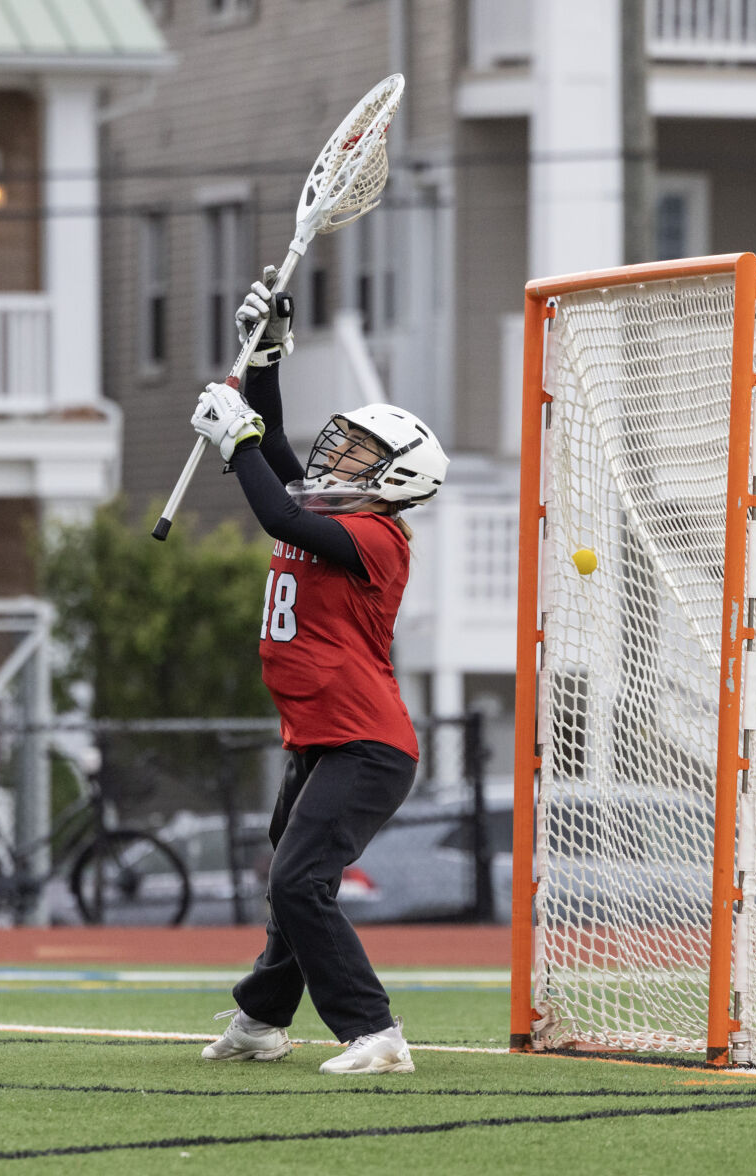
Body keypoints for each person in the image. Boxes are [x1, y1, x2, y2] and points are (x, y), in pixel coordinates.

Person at [191, 270, 448, 1075]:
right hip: (320, 737)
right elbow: (272, 450)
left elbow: (274, 503)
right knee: (289, 887)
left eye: (359, 454)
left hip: (365, 745)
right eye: (340, 443)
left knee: (301, 883)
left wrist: (232, 441)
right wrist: (265, 357)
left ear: (397, 479)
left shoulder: (377, 538)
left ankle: (374, 1033)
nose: (334, 456)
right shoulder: (332, 508)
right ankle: (262, 1019)